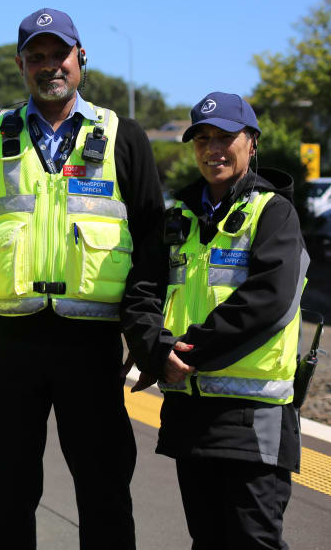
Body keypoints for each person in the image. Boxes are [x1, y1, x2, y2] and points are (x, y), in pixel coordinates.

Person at [0, 8, 164, 549]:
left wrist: (143, 332)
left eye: (58, 54)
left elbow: (154, 250)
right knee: (5, 486)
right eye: (35, 57)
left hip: (91, 345)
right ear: (20, 65)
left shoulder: (124, 137)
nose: (49, 67)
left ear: (80, 58)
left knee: (105, 488)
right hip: (13, 343)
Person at [122, 92, 306, 549]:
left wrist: (184, 352)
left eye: (225, 136)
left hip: (252, 415)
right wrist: (154, 349)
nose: (212, 148)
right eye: (201, 138)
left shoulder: (274, 213)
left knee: (253, 539)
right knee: (206, 538)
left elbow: (268, 300)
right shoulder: (177, 218)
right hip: (190, 411)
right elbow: (141, 293)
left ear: (252, 142)